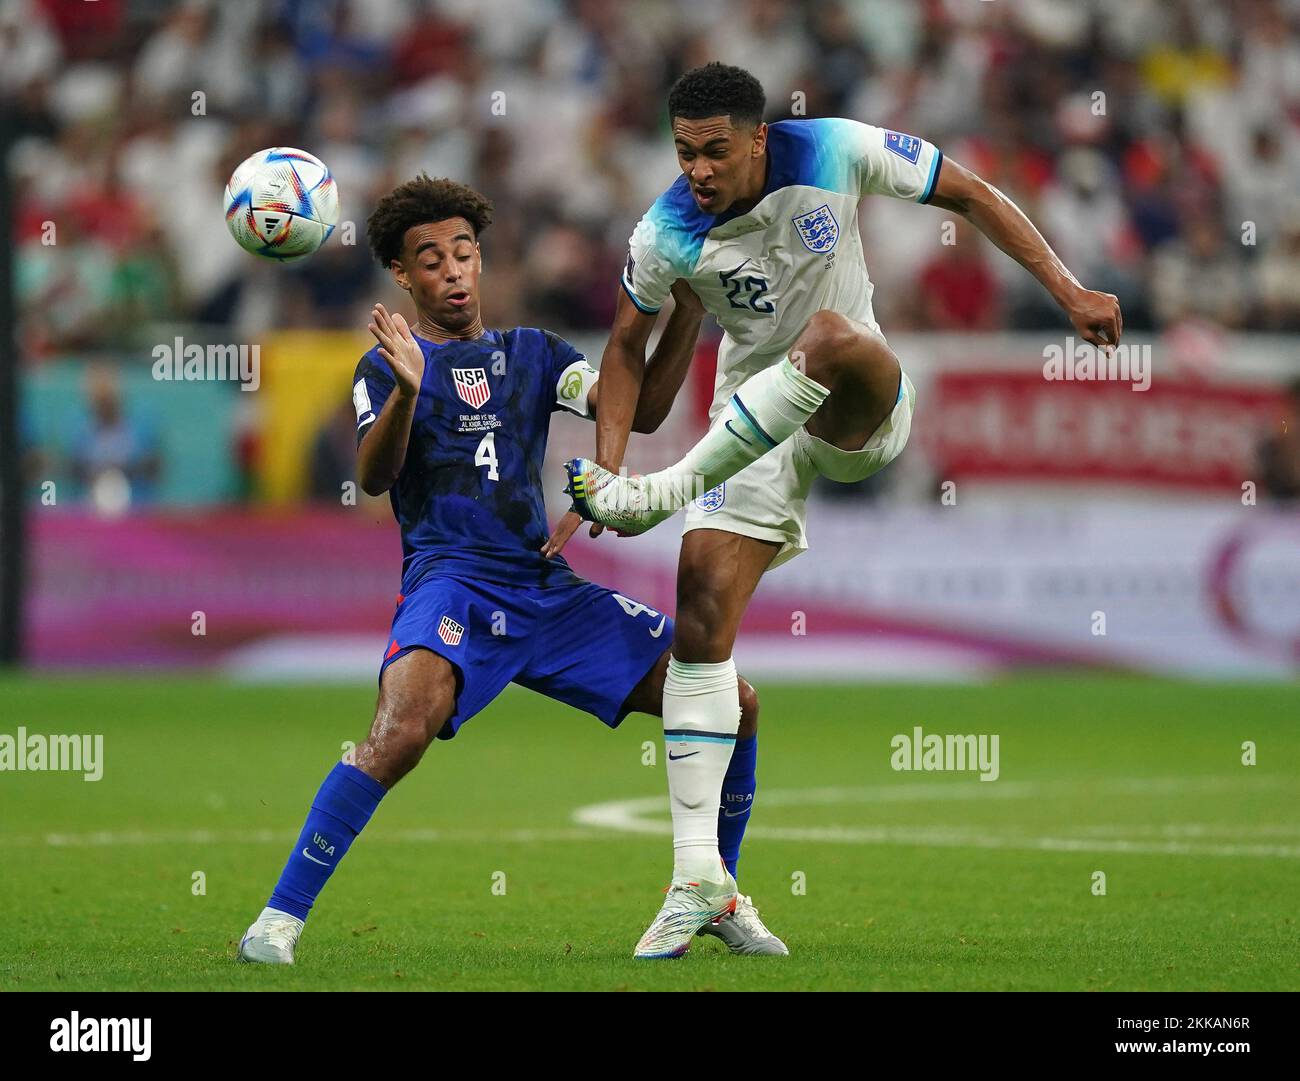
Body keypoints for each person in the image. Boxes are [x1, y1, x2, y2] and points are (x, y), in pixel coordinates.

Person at [547, 62, 1123, 958]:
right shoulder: (664, 230)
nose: (696, 169)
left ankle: (665, 494)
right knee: (699, 613)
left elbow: (967, 194)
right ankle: (700, 876)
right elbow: (625, 348)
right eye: (684, 152)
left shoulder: (836, 149)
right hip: (751, 427)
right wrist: (607, 472)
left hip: (861, 398)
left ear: (757, 139)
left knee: (828, 337)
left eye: (714, 151)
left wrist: (1070, 290)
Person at [237, 174, 786, 965]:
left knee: (733, 701)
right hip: (451, 581)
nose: (454, 270)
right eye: (431, 259)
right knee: (398, 735)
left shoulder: (530, 354)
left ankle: (717, 889)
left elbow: (637, 409)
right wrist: (406, 393)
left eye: (464, 252)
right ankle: (276, 922)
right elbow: (374, 476)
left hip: (545, 587)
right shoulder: (384, 365)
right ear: (402, 273)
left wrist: (689, 312)